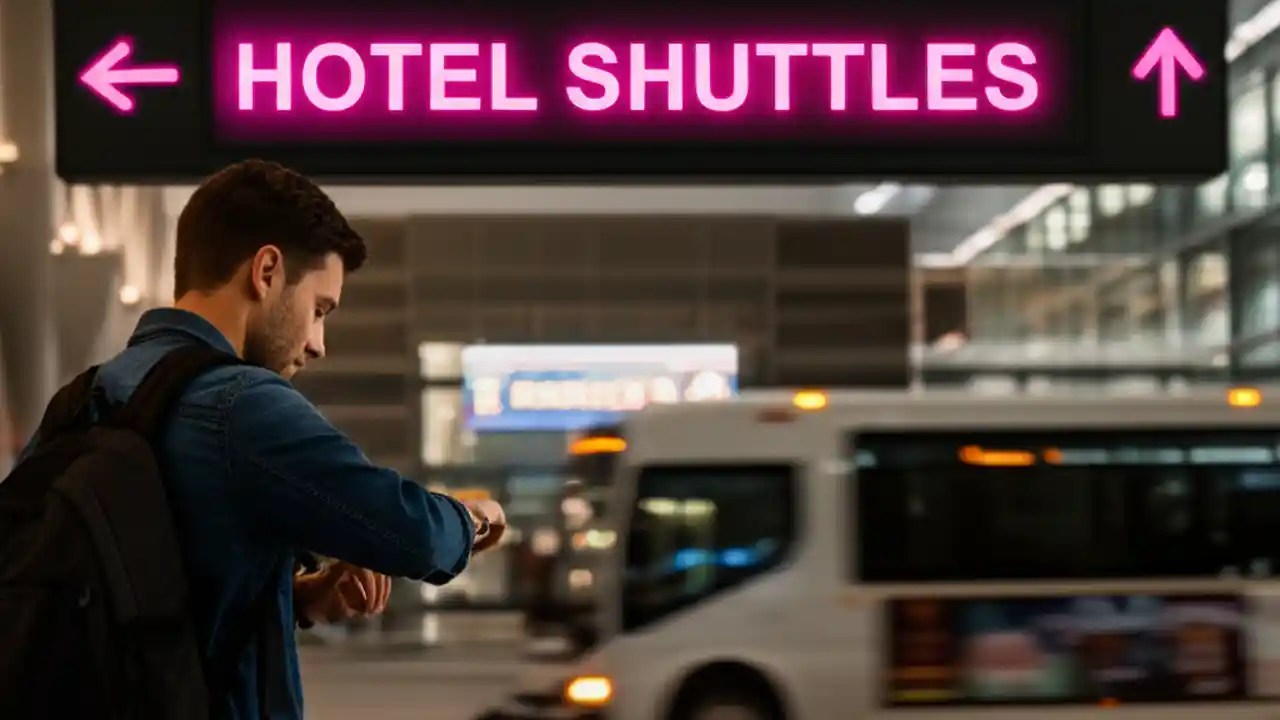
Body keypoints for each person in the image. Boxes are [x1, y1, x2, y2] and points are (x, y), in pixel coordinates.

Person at [18, 159, 505, 719]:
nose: (318, 342)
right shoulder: (241, 403)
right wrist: (475, 518)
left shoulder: (82, 399)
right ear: (267, 271)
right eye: (318, 309)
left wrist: (300, 599)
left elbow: (142, 601)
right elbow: (414, 533)